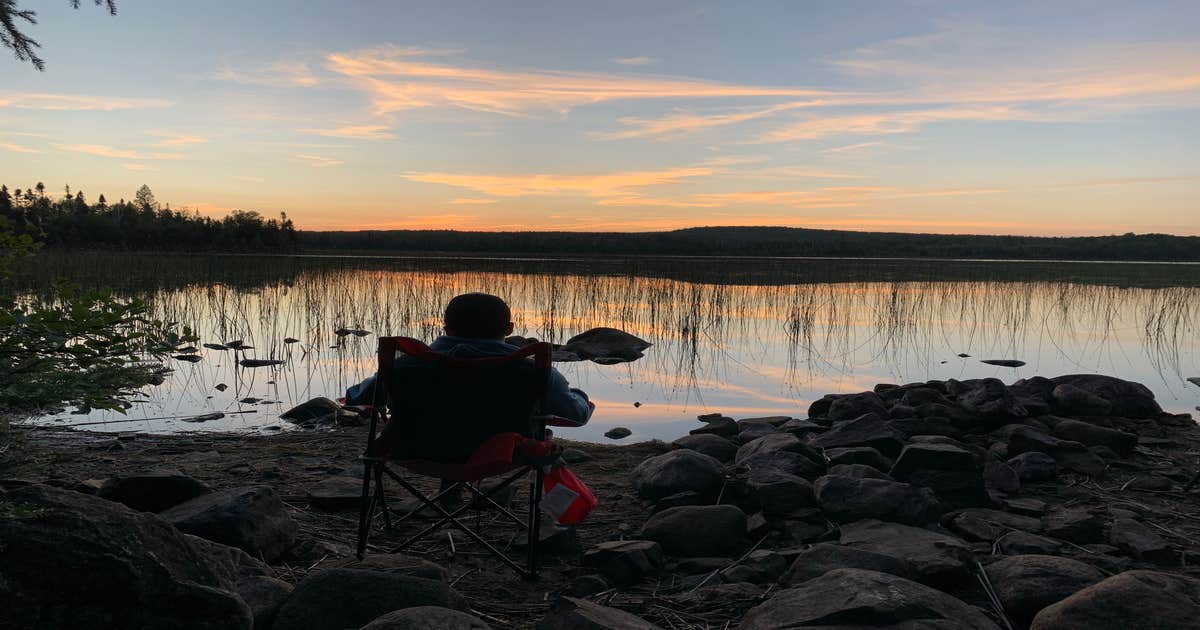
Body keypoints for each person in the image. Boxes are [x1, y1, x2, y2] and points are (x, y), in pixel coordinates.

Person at [346, 292, 593, 427]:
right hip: (503, 455)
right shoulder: (531, 371)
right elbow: (575, 414)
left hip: (415, 450)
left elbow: (357, 398)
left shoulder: (407, 365)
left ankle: (449, 493)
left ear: (446, 328)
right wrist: (581, 397)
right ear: (509, 329)